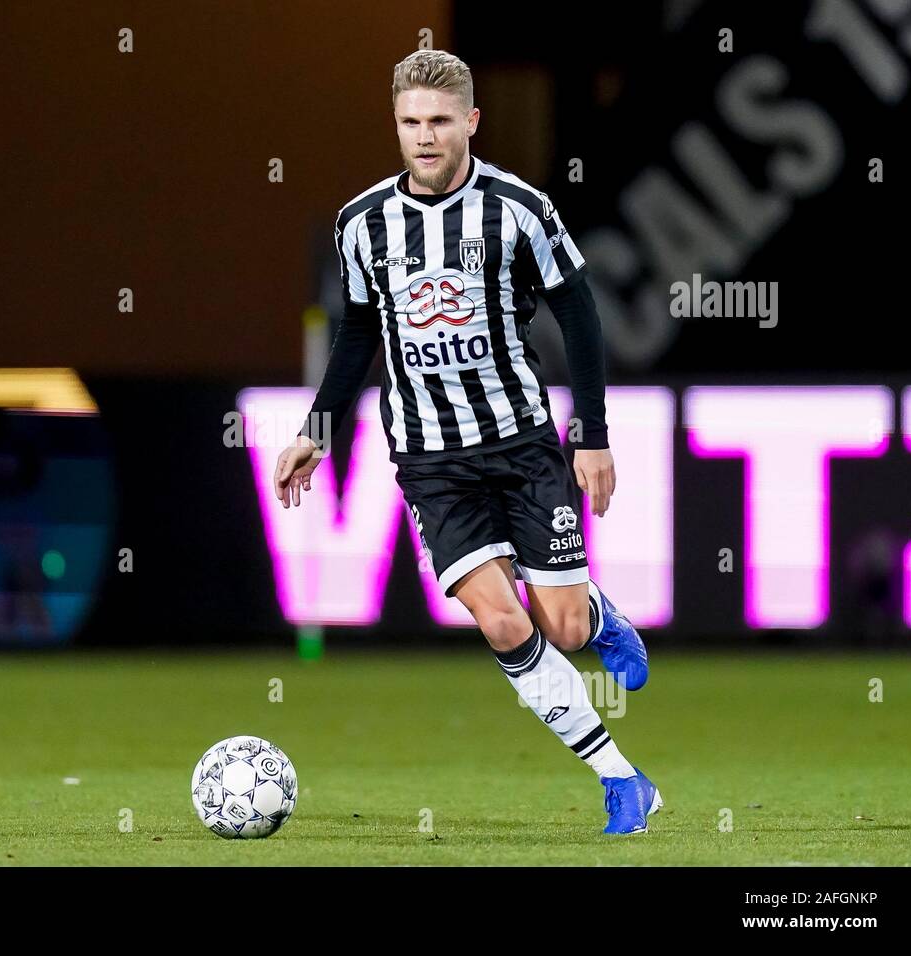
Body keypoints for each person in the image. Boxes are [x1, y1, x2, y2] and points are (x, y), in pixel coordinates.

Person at [272, 51, 658, 834]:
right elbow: (356, 335)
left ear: (471, 122)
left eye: (440, 121)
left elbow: (578, 313)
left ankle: (596, 613)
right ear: (396, 124)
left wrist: (592, 434)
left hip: (520, 443)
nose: (425, 136)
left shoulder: (518, 209)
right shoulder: (362, 224)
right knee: (502, 623)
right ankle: (621, 781)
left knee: (565, 630)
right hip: (428, 459)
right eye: (411, 122)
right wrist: (318, 431)